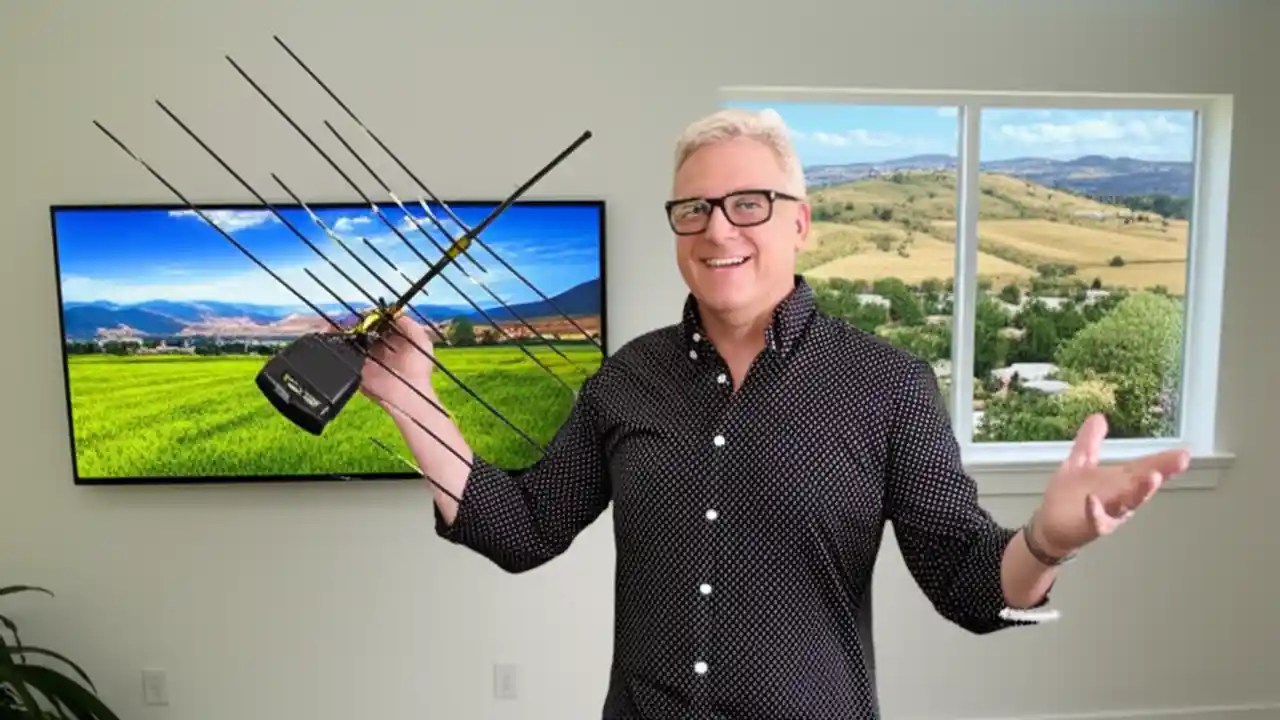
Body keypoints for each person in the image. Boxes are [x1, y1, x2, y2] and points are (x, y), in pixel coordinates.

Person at [359, 107, 1191, 720]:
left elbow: (965, 583)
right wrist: (411, 400)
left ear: (801, 223)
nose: (718, 228)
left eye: (747, 203)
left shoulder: (887, 386)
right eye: (693, 209)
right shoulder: (627, 381)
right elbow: (524, 528)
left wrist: (1046, 542)